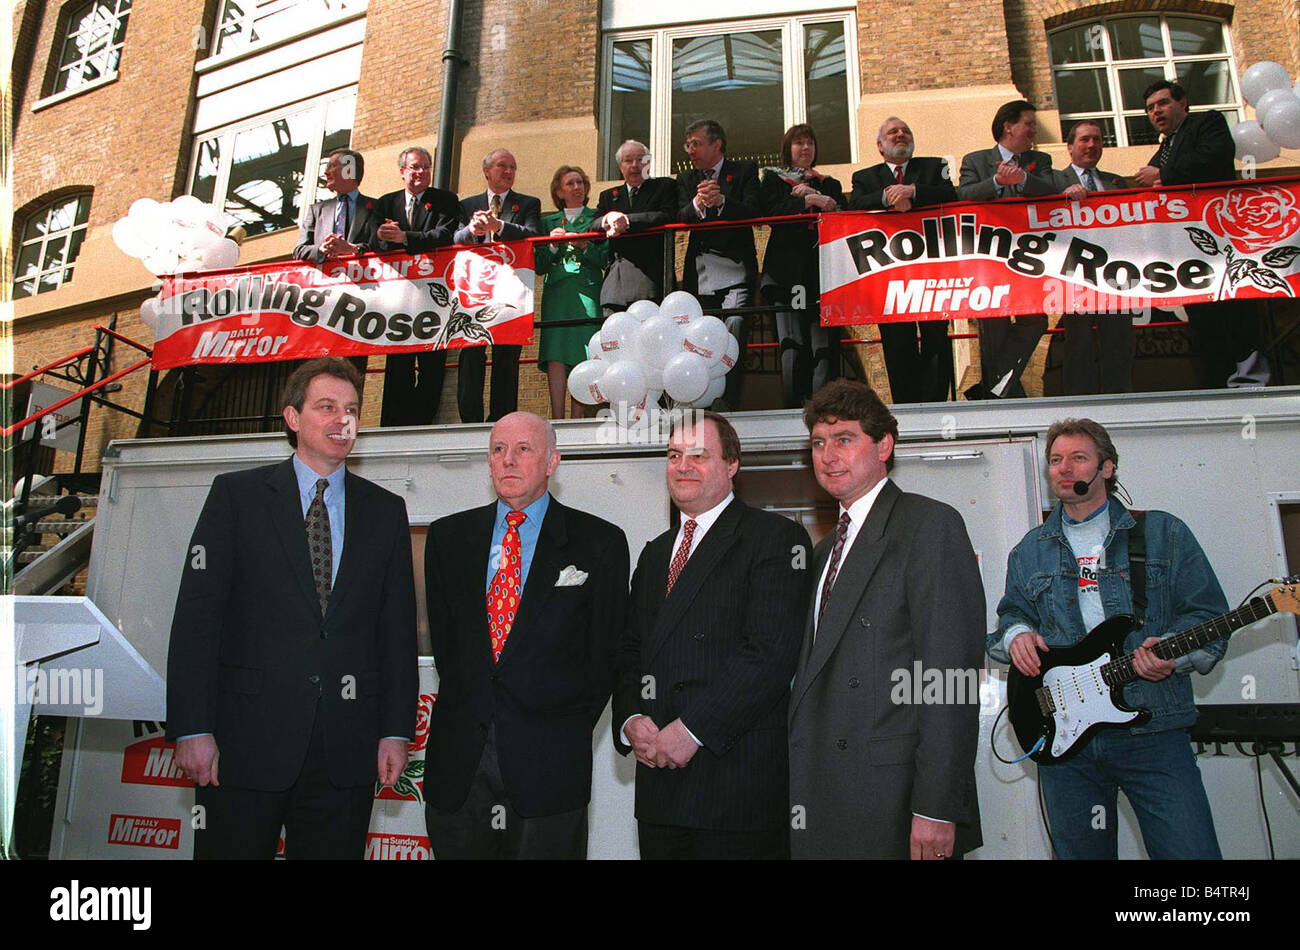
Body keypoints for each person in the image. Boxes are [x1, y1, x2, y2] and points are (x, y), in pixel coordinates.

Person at [166, 357, 418, 859]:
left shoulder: (386, 511)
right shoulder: (236, 497)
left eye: (351, 409)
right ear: (292, 417)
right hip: (242, 746)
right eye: (326, 407)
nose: (342, 419)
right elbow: (197, 619)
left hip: (344, 753)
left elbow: (396, 632)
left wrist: (395, 731)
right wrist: (192, 727)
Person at [989, 417, 1229, 859]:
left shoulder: (1163, 533)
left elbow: (1208, 616)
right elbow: (1011, 616)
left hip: (1153, 730)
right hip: (1065, 740)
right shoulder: (1029, 551)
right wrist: (1017, 635)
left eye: (1078, 458)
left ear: (1107, 467)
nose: (1064, 468)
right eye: (1055, 460)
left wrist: (1173, 654)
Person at [788, 379, 984, 859]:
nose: (828, 455)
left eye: (844, 439)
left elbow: (948, 677)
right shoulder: (822, 553)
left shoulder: (929, 525)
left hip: (895, 801)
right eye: (818, 442)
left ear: (884, 446)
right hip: (824, 795)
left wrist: (937, 806)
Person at [422, 412, 629, 859]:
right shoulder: (447, 538)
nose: (508, 460)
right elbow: (448, 649)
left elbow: (606, 657)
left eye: (523, 449)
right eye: (498, 450)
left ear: (552, 462)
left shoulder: (600, 543)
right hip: (459, 769)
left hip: (550, 770)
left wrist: (560, 728)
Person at [614, 410, 810, 859]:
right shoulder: (655, 554)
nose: (682, 466)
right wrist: (630, 719)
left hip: (735, 788)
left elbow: (769, 655)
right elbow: (629, 649)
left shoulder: (777, 539)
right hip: (660, 789)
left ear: (732, 464)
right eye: (673, 456)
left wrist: (692, 731)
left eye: (699, 456)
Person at [1132, 80, 1262, 389]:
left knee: (1236, 312)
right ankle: (1216, 384)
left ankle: (1250, 383)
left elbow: (1215, 156)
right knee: (1204, 318)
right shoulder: (1165, 147)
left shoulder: (1207, 123)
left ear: (1182, 103)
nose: (1156, 112)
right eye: (1150, 108)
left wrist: (1164, 175)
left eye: (1163, 103)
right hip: (1189, 251)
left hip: (1221, 240)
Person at [849, 117, 959, 404]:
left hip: (931, 272)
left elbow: (950, 195)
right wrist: (888, 198)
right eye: (893, 132)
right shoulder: (864, 177)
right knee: (897, 341)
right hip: (890, 274)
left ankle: (936, 406)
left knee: (936, 337)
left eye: (905, 131)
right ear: (879, 145)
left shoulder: (934, 166)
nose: (900, 134)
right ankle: (906, 409)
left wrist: (913, 192)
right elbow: (855, 204)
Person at [959, 100, 1055, 399]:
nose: (1034, 130)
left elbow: (1051, 191)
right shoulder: (975, 160)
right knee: (994, 330)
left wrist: (1023, 179)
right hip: (991, 258)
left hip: (1029, 259)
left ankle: (990, 391)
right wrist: (997, 182)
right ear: (1009, 127)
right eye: (1029, 123)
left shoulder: (1041, 160)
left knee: (1036, 319)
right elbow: (963, 195)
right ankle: (1000, 396)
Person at [373, 146, 464, 427]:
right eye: (415, 167)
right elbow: (373, 244)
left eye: (426, 167)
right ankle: (394, 427)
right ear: (402, 171)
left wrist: (405, 237)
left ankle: (423, 423)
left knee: (432, 365)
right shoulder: (385, 203)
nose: (421, 172)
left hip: (432, 296)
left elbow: (445, 235)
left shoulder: (445, 200)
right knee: (397, 364)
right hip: (397, 299)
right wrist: (381, 237)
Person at [676, 120, 761, 410]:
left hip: (736, 270)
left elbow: (754, 209)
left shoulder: (745, 170)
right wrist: (698, 204)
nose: (690, 150)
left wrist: (723, 201)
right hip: (700, 275)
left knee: (734, 328)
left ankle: (727, 404)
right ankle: (702, 405)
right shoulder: (686, 178)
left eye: (696, 143)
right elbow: (679, 216)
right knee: (700, 340)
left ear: (717, 145)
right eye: (688, 145)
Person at [454, 149, 544, 423]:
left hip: (510, 290)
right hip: (475, 290)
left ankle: (501, 419)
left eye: (513, 167)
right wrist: (473, 231)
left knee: (506, 356)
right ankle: (470, 421)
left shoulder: (528, 203)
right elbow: (455, 237)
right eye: (502, 166)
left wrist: (499, 225)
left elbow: (533, 234)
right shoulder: (467, 204)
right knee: (471, 352)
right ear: (486, 170)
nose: (508, 172)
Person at [758, 123, 844, 409]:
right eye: (799, 143)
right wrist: (807, 200)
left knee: (823, 347)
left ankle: (822, 409)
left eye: (810, 143)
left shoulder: (830, 183)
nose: (805, 148)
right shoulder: (773, 181)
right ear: (788, 149)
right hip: (786, 274)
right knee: (792, 344)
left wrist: (826, 202)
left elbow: (844, 215)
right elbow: (769, 212)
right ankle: (793, 408)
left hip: (822, 274)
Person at [1050, 121, 1134, 395]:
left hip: (1115, 276)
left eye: (1097, 140)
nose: (1092, 145)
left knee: (1119, 342)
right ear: (1069, 146)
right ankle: (1080, 404)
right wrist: (1061, 198)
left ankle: (1120, 402)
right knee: (1078, 343)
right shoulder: (1054, 181)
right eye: (1085, 139)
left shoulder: (1116, 182)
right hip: (1075, 275)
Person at [535, 165, 608, 419]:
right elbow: (539, 265)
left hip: (587, 291)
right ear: (559, 191)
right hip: (557, 294)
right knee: (556, 353)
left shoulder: (596, 218)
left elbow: (605, 259)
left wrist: (584, 245)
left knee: (583, 351)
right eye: (570, 183)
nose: (577, 187)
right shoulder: (547, 222)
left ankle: (577, 418)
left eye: (580, 183)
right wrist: (552, 246)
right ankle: (557, 417)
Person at [594, 139, 677, 316]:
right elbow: (592, 229)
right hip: (616, 286)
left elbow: (666, 216)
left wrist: (627, 221)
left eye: (640, 159)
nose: (635, 165)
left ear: (648, 162)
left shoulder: (663, 186)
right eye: (628, 160)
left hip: (650, 281)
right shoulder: (608, 196)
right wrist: (608, 219)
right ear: (620, 166)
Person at [292, 148, 379, 265]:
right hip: (326, 275)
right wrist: (320, 250)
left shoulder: (377, 207)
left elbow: (383, 246)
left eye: (332, 166)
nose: (326, 172)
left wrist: (353, 249)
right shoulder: (316, 210)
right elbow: (299, 251)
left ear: (349, 170)